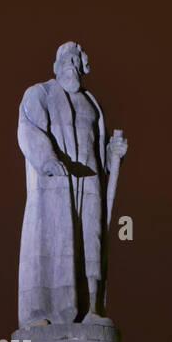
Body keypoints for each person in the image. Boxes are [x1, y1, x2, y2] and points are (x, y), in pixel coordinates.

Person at [17, 42, 127, 327]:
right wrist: (47, 159)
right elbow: (28, 129)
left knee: (91, 243)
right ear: (56, 65)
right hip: (56, 184)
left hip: (89, 184)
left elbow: (98, 150)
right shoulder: (40, 93)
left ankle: (93, 308)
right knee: (51, 245)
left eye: (77, 60)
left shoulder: (92, 104)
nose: (72, 64)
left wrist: (113, 154)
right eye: (67, 58)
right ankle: (41, 314)